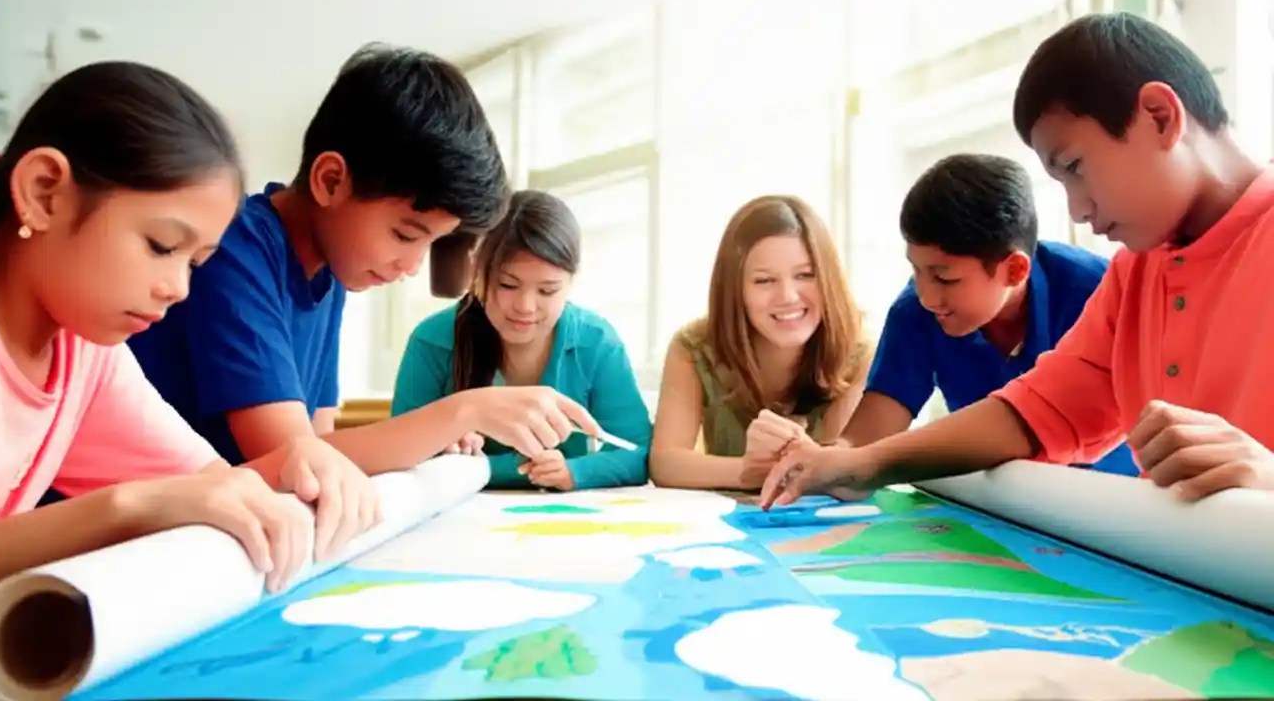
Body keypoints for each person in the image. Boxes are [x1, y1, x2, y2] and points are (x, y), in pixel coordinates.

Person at [761, 12, 1274, 509]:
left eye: (1074, 167)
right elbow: (1036, 411)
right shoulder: (1134, 273)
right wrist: (862, 465)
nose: (1078, 208)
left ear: (1160, 116)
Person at [128, 43, 603, 474]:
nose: (412, 265)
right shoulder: (235, 250)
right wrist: (462, 411)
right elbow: (293, 461)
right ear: (331, 181)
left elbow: (319, 442)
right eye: (404, 234)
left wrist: (429, 435)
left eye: (429, 244)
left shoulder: (330, 273)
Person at [0, 61, 375, 590]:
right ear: (43, 192)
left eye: (194, 262)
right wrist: (128, 507)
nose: (178, 288)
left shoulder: (85, 355)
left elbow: (208, 484)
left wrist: (297, 459)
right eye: (161, 246)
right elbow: (159, 495)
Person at [842, 153, 1136, 476]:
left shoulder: (1099, 291)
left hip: (1114, 496)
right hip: (992, 502)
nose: (926, 296)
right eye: (916, 270)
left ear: (1014, 270)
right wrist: (813, 457)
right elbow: (860, 447)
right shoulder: (914, 311)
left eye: (944, 278)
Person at [393, 189, 651, 490]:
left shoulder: (597, 343)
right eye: (507, 285)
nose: (525, 306)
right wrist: (448, 444)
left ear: (571, 281)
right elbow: (398, 455)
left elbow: (637, 454)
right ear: (476, 270)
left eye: (547, 291)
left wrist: (575, 472)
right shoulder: (432, 341)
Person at [650, 195, 870, 491]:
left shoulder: (858, 351)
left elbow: (849, 479)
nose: (788, 296)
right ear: (734, 290)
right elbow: (665, 463)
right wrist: (745, 470)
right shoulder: (694, 347)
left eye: (805, 275)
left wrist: (804, 460)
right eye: (764, 281)